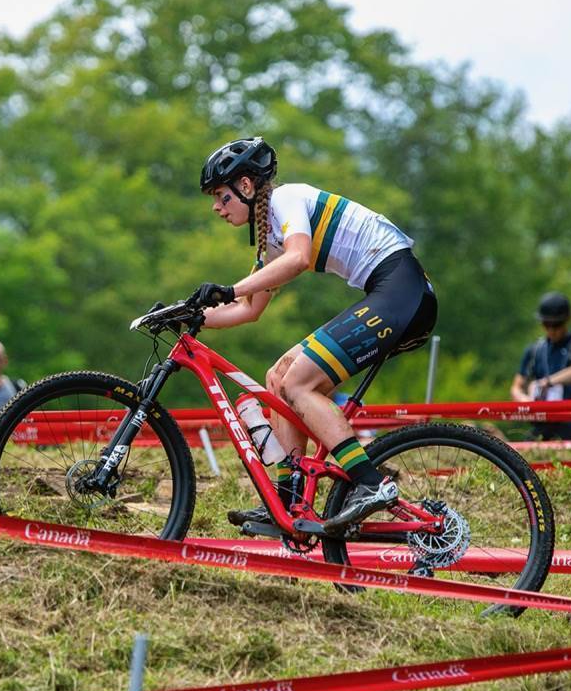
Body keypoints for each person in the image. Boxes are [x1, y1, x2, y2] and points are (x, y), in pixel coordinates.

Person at [186, 137, 437, 531]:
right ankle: (287, 502)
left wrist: (230, 288)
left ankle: (371, 484)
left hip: (402, 289)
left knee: (300, 383)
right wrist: (190, 315)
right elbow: (250, 309)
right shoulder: (270, 234)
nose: (216, 207)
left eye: (221, 196)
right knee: (278, 378)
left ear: (247, 187)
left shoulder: (287, 200)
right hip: (392, 294)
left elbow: (299, 258)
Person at [512, 291, 571, 440]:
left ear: (567, 320)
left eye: (556, 324)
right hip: (542, 426)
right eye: (546, 324)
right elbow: (516, 388)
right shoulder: (534, 351)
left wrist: (549, 382)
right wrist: (527, 402)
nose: (551, 330)